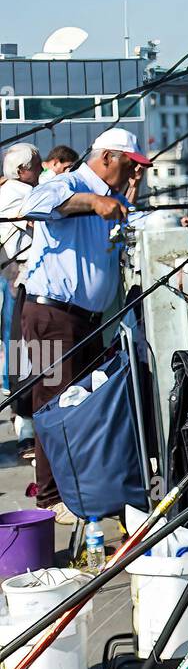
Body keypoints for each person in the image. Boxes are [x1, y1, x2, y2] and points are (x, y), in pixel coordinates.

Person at [17, 127, 149, 521]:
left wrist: (118, 199)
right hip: (50, 314)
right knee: (51, 404)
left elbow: (124, 218)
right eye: (130, 165)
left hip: (86, 320)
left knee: (83, 407)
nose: (132, 173)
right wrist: (92, 201)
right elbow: (34, 204)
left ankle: (83, 490)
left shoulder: (111, 196)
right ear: (108, 157)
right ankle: (51, 499)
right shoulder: (70, 181)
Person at [0, 144, 42, 459]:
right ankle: (29, 432)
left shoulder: (19, 191)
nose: (40, 171)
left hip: (23, 282)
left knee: (23, 353)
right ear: (21, 171)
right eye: (36, 166)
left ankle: (27, 428)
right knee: (30, 355)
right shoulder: (18, 194)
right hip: (28, 283)